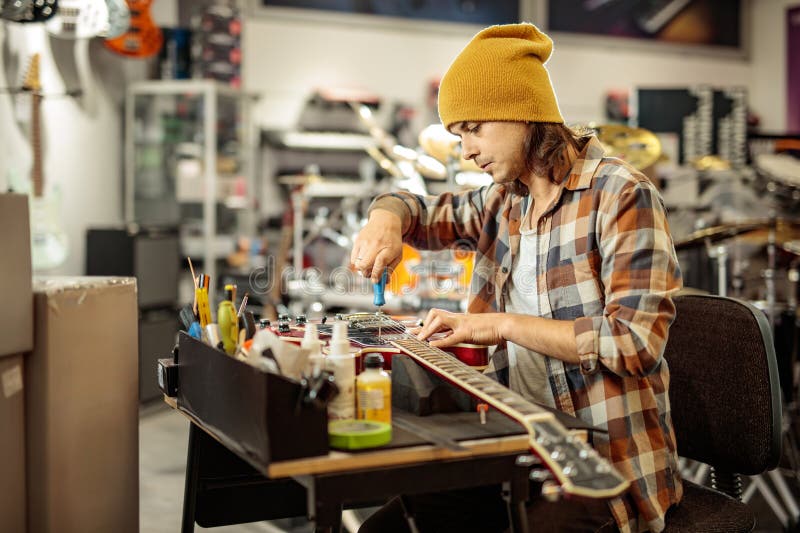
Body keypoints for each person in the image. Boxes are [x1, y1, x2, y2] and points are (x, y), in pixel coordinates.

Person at [351, 22, 683, 533]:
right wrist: (386, 217)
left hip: (601, 471)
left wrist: (500, 325)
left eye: (474, 129)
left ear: (523, 112)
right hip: (516, 451)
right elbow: (419, 209)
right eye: (458, 135)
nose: (464, 150)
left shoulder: (620, 194)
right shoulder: (505, 199)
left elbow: (633, 343)